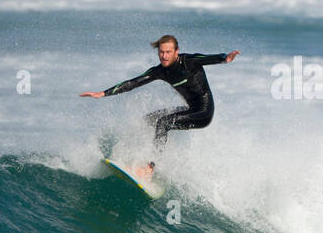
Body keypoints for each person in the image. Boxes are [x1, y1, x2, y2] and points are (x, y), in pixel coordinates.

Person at [81, 35, 240, 152]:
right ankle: (136, 154)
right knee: (149, 119)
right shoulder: (160, 71)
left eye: (168, 52)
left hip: (204, 114)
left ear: (176, 51)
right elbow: (133, 82)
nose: (164, 56)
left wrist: (226, 58)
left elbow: (209, 58)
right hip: (191, 111)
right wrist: (103, 93)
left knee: (163, 122)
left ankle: (152, 165)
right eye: (161, 52)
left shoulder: (189, 61)